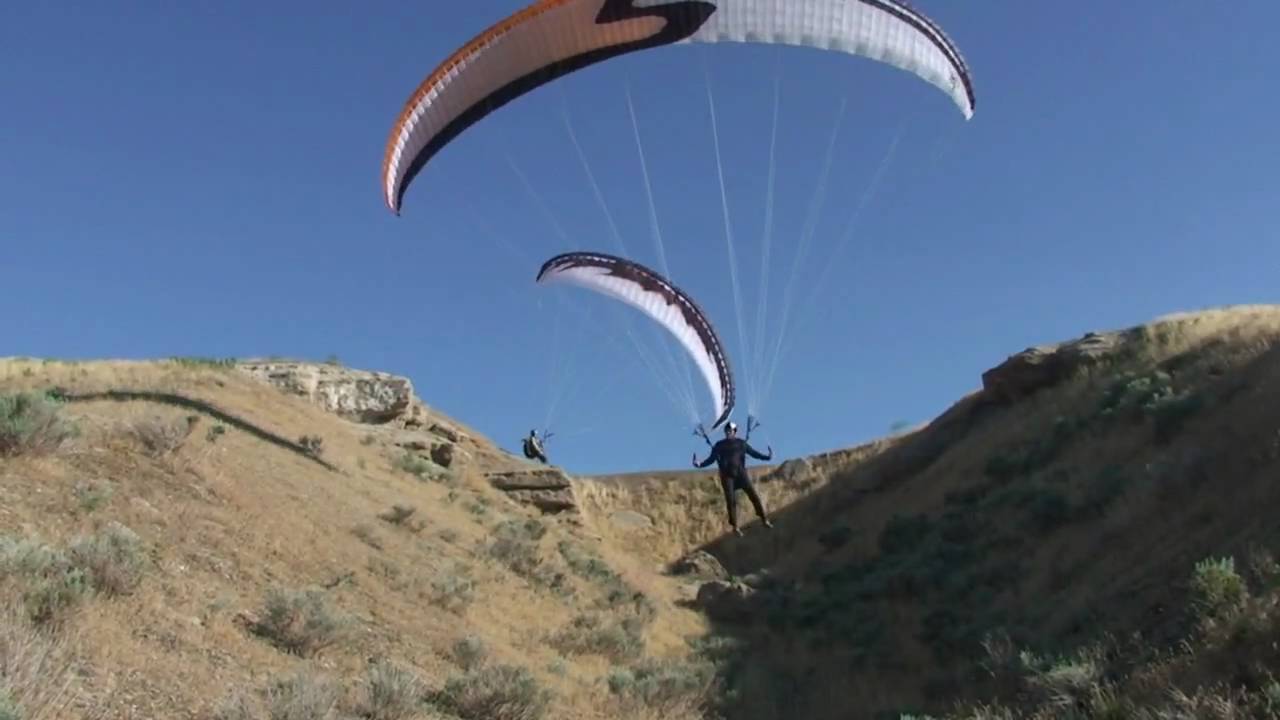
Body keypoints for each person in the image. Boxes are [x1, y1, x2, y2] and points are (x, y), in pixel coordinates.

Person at [693, 420, 774, 536]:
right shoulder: (719, 445)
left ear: (735, 432)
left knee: (754, 495)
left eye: (731, 430)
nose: (728, 432)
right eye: (727, 430)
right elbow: (711, 459)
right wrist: (700, 464)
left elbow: (754, 453)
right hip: (727, 477)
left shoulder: (741, 443)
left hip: (741, 475)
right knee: (731, 501)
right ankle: (735, 527)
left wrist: (767, 457)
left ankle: (764, 519)